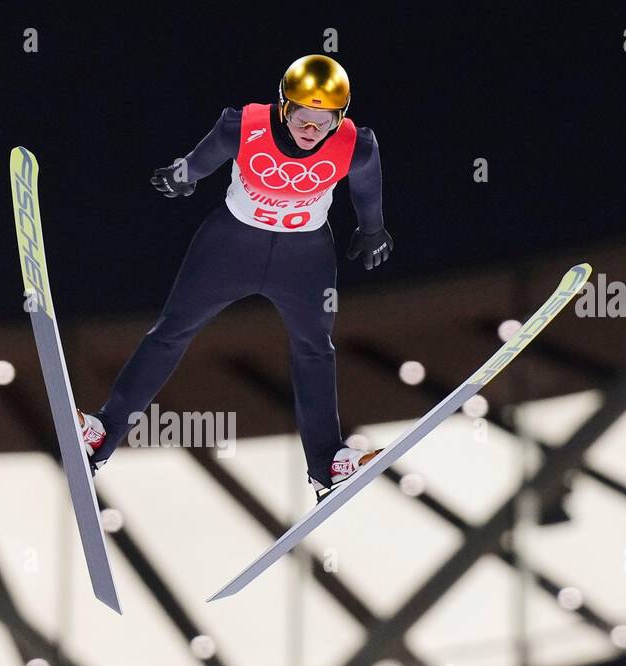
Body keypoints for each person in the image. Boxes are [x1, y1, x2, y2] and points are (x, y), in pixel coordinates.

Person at [78, 54, 394, 501]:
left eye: (324, 123)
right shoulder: (241, 127)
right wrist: (182, 175)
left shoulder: (356, 144)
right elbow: (202, 158)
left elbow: (365, 185)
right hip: (230, 246)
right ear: (284, 107)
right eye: (304, 118)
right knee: (170, 333)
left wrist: (372, 229)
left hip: (304, 258)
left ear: (339, 118)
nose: (311, 132)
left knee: (315, 349)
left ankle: (327, 464)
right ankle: (101, 435)